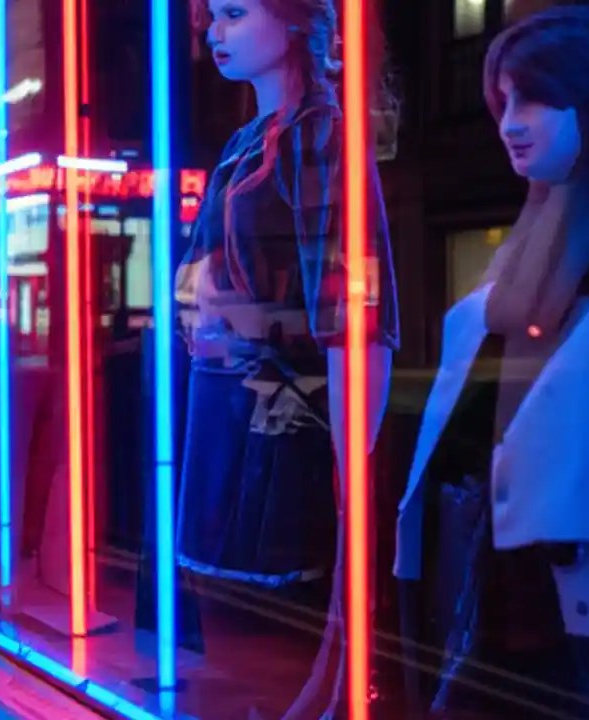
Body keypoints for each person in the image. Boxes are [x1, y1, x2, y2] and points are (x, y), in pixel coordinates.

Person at [393, 7, 589, 718]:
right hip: (498, 580)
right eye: (503, 102)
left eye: (535, 99)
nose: (510, 123)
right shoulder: (519, 261)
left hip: (584, 584)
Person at [174, 0, 399, 715]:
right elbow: (195, 278)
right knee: (238, 660)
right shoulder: (248, 140)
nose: (215, 33)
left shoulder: (321, 137)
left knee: (280, 655)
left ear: (297, 19)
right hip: (231, 415)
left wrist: (349, 461)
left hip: (283, 423)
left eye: (236, 14)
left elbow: (350, 310)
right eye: (214, 18)